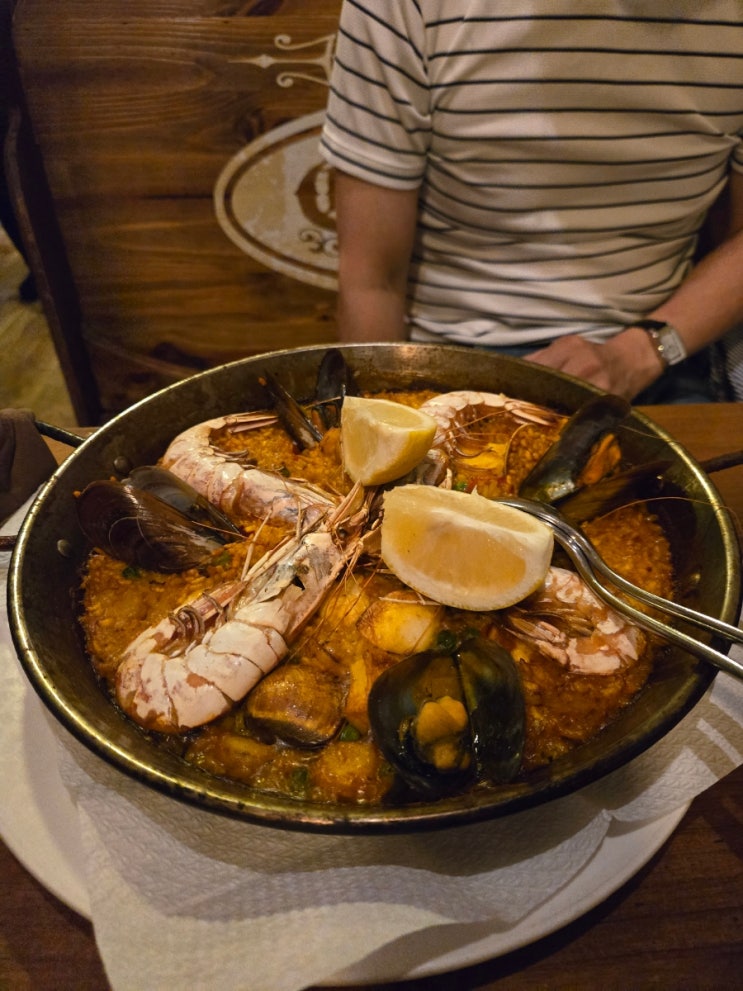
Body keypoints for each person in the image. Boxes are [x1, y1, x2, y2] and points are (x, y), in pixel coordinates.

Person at [319, 1, 743, 403]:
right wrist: (384, 423)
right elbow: (372, 279)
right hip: (445, 362)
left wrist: (641, 351)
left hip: (658, 354)